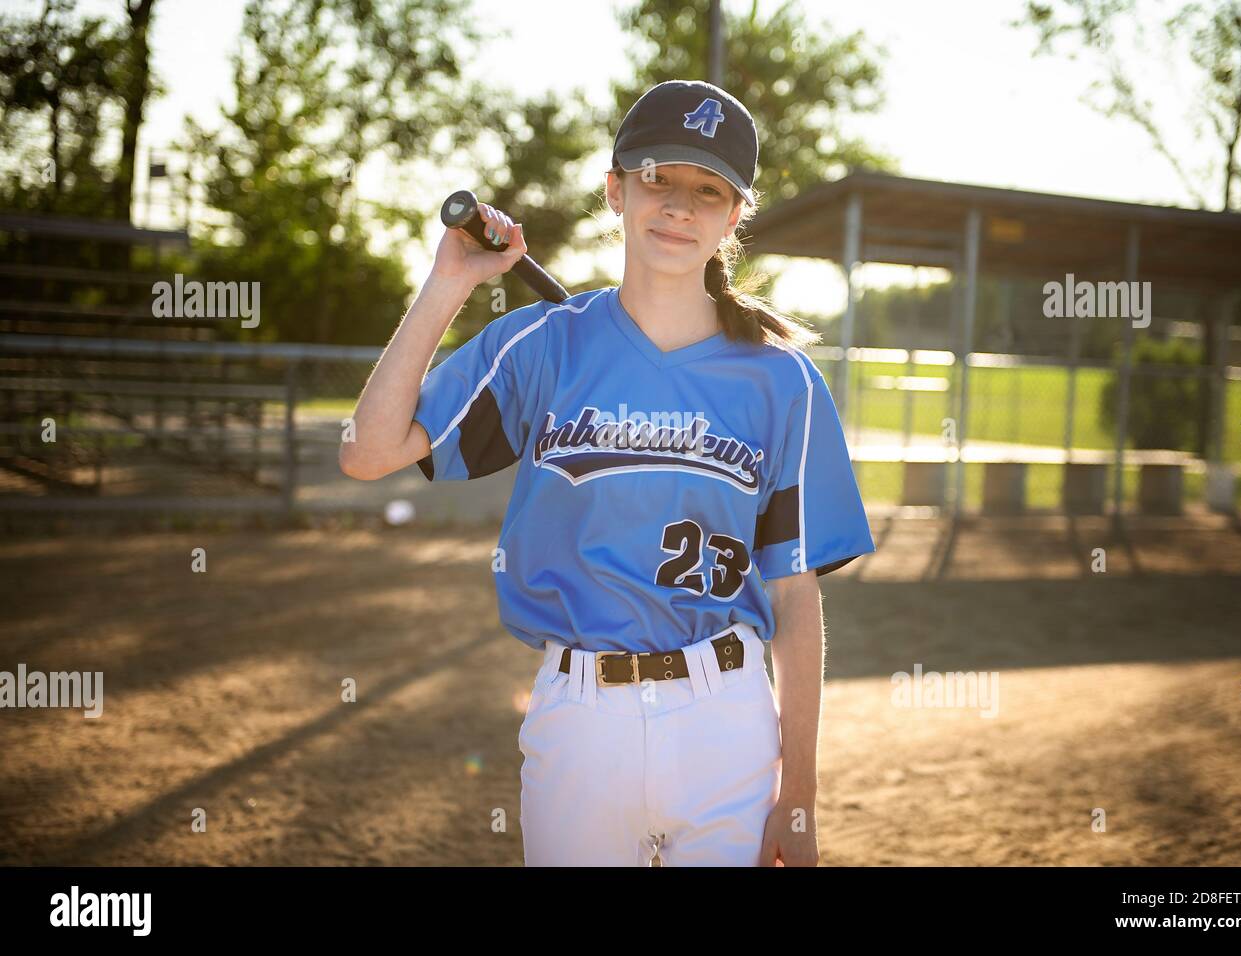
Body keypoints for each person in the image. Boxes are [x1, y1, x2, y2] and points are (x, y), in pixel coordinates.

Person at [341, 79, 875, 866]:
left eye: (707, 191)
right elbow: (368, 450)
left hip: (725, 717)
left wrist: (797, 795)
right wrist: (449, 283)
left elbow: (795, 595)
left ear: (734, 217)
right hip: (578, 718)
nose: (678, 207)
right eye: (657, 179)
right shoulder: (543, 344)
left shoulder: (782, 381)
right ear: (615, 190)